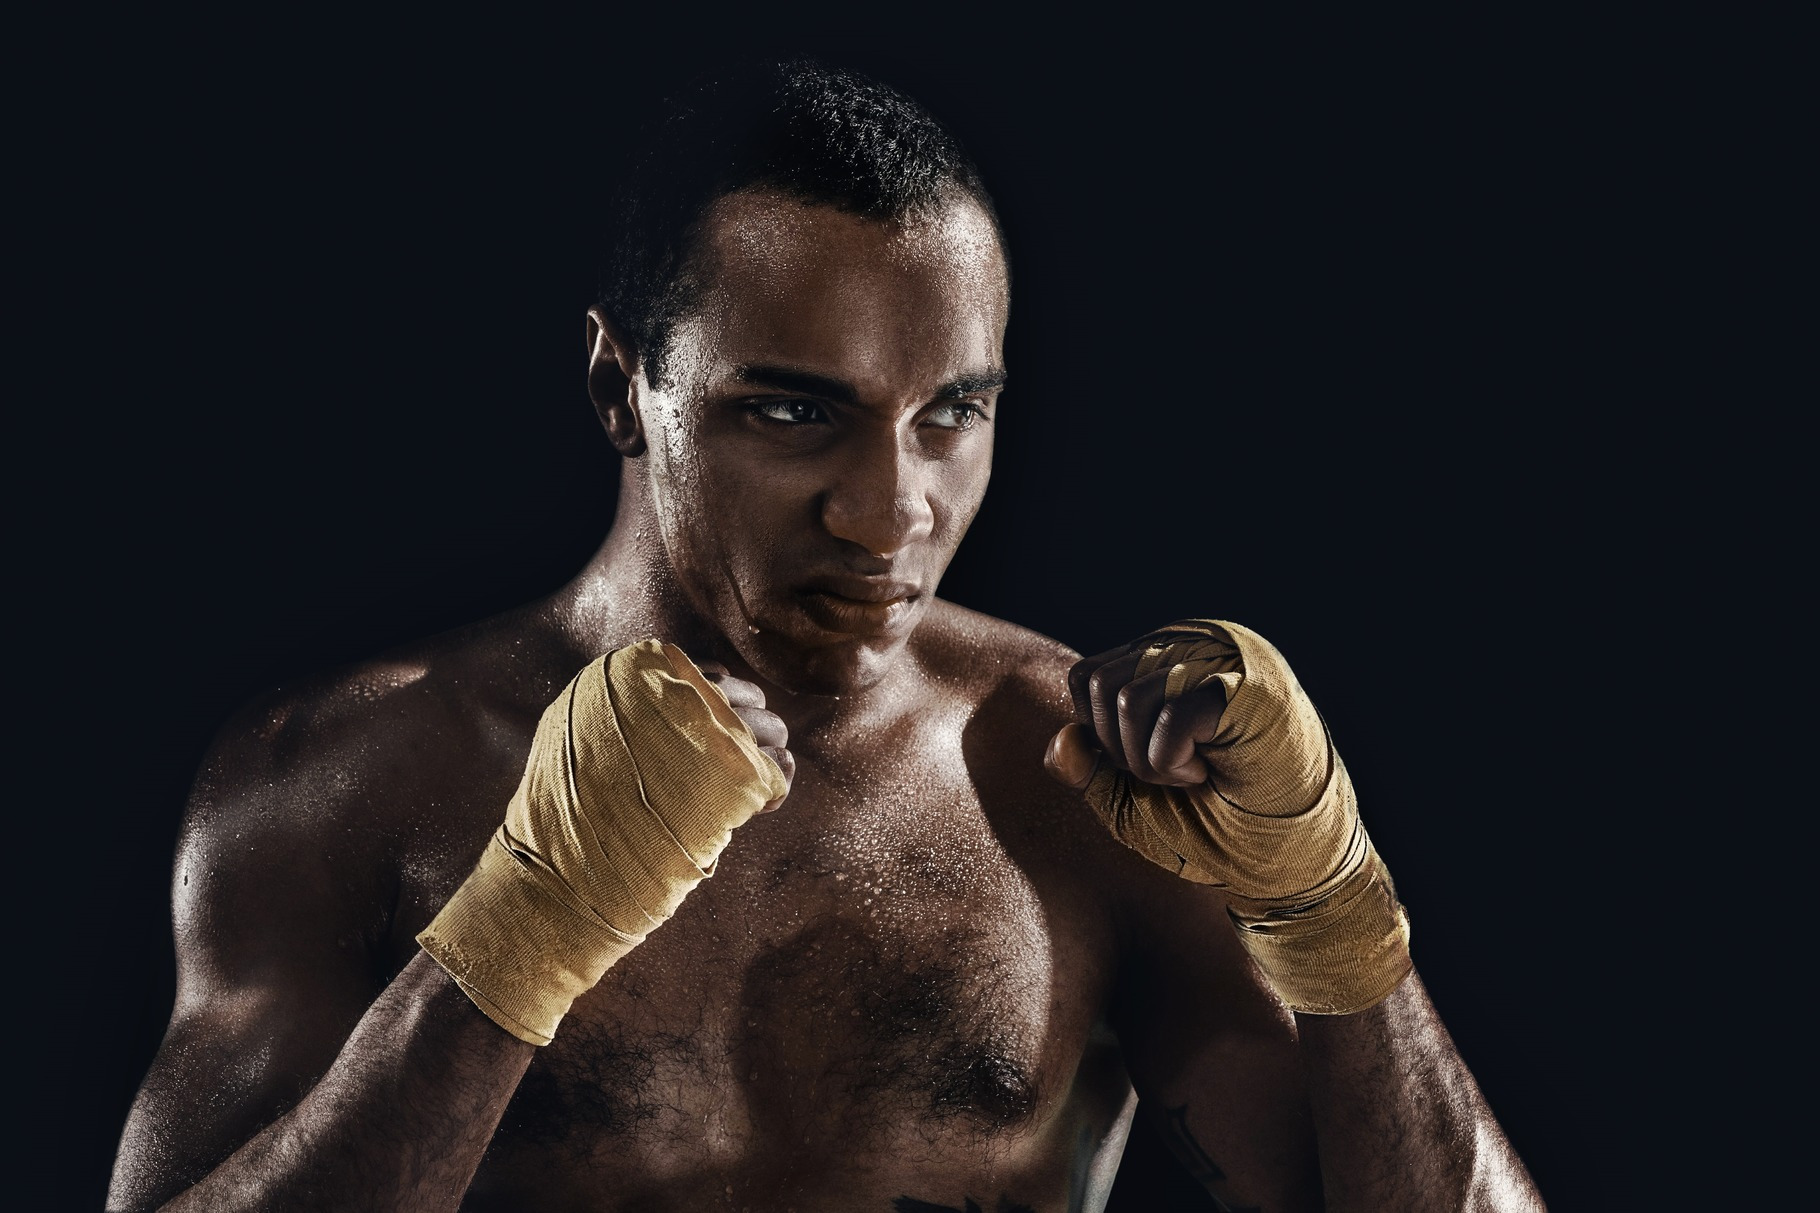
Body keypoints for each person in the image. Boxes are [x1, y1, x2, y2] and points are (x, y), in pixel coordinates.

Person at [108, 60, 1544, 1212]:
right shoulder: (349, 782)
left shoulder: (1079, 785)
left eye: (950, 415)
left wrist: (1339, 906)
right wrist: (512, 942)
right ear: (624, 388)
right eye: (795, 410)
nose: (887, 513)